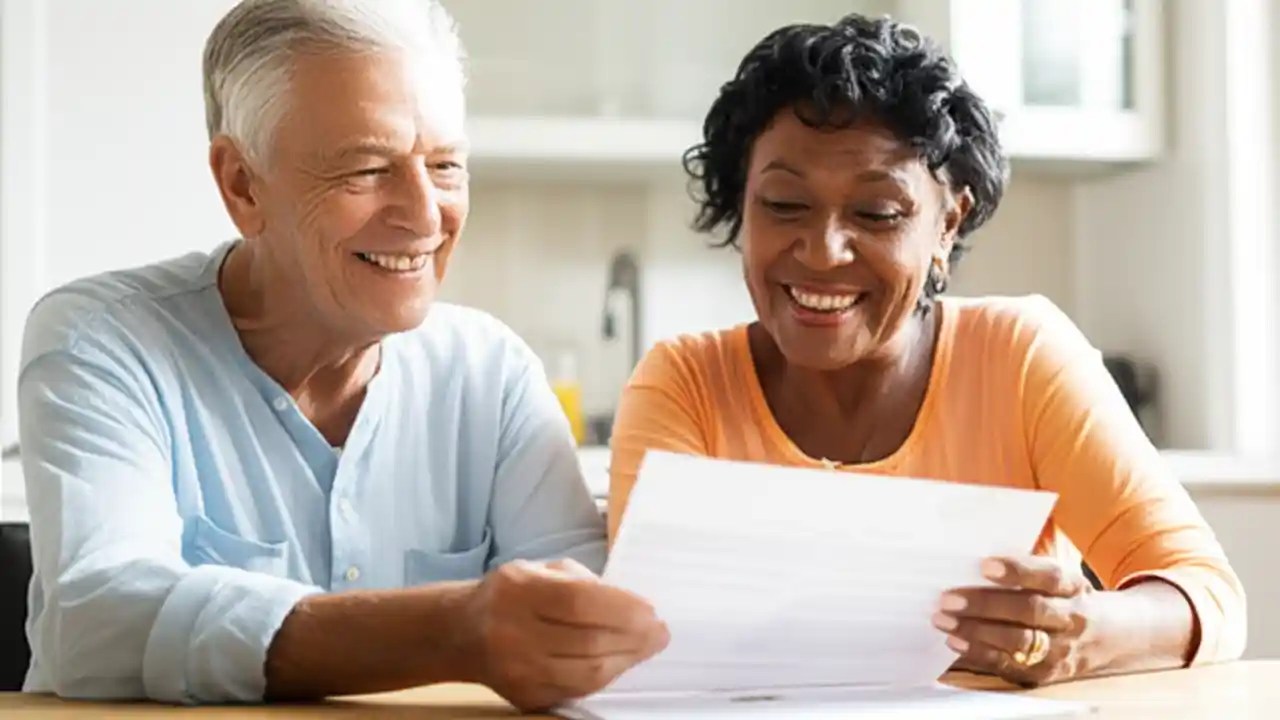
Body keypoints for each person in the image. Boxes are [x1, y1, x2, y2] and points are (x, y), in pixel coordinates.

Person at [18, 0, 666, 710]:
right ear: (242, 185)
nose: (424, 215)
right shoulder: (102, 340)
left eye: (445, 165)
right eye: (366, 170)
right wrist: (451, 629)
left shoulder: (491, 374)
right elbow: (98, 622)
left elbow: (584, 631)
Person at [608, 13, 1246, 687]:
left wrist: (1080, 635)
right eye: (785, 204)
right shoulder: (683, 383)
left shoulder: (1021, 358)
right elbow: (648, 641)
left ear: (948, 222)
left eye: (877, 214)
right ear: (744, 206)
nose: (823, 251)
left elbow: (1207, 594)